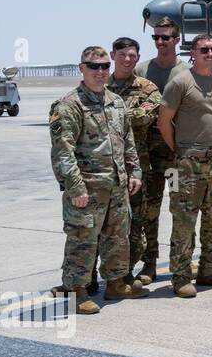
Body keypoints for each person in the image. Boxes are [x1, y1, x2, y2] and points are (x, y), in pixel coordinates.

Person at [49, 46, 146, 314]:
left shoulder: (115, 102)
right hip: (87, 188)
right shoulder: (68, 105)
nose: (100, 72)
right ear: (81, 68)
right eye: (94, 66)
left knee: (118, 237)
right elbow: (62, 152)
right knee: (82, 239)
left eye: (104, 66)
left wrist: (134, 171)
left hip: (116, 185)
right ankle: (76, 291)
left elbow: (128, 141)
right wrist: (75, 187)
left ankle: (115, 283)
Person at [157, 33, 212, 296]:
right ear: (193, 52)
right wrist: (179, 151)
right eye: (204, 49)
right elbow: (163, 122)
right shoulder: (180, 82)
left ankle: (209, 270)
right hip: (186, 164)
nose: (210, 53)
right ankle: (180, 276)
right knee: (184, 220)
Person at [134, 18, 190, 276]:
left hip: (176, 155)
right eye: (156, 37)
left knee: (180, 207)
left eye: (165, 37)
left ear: (177, 39)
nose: (159, 42)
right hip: (149, 155)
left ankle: (182, 261)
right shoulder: (142, 71)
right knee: (150, 210)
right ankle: (150, 263)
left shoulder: (187, 72)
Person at [107, 36, 161, 285]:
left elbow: (146, 115)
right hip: (106, 167)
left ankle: (144, 264)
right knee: (107, 223)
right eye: (122, 55)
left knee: (142, 219)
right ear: (112, 56)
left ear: (138, 58)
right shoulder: (100, 85)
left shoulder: (147, 88)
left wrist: (108, 115)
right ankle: (103, 273)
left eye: (132, 55)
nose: (127, 59)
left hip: (138, 165)